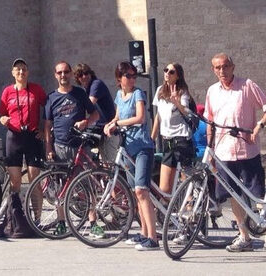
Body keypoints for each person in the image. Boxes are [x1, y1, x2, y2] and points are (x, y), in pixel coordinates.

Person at [204, 52, 266, 253]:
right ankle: (244, 236)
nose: (222, 71)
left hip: (247, 151)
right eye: (217, 68)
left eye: (225, 66)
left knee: (258, 196)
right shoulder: (212, 91)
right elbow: (210, 122)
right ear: (213, 70)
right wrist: (210, 150)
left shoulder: (247, 85)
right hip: (223, 153)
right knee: (234, 196)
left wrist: (258, 127)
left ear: (233, 66)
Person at [104, 61, 158, 251]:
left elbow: (140, 118)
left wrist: (118, 124)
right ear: (119, 79)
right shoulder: (119, 95)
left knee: (142, 190)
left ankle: (153, 237)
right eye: (128, 75)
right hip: (127, 147)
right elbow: (118, 117)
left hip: (142, 146)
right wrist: (109, 124)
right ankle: (143, 233)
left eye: (134, 75)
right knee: (135, 192)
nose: (132, 79)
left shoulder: (138, 94)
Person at [44, 60, 102, 238]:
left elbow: (95, 114)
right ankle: (62, 222)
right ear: (55, 75)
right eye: (60, 72)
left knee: (86, 184)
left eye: (66, 72)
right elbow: (47, 125)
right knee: (60, 186)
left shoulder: (79, 93)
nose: (63, 75)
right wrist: (48, 147)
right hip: (60, 145)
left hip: (79, 146)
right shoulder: (51, 97)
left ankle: (93, 222)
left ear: (70, 74)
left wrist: (86, 122)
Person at [0, 58, 47, 197]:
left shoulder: (36, 89)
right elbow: (2, 114)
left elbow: (49, 109)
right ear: (13, 73)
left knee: (35, 181)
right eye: (18, 69)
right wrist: (3, 119)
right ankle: (16, 216)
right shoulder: (7, 91)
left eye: (24, 69)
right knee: (15, 182)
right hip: (14, 137)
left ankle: (37, 218)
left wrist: (45, 129)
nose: (21, 72)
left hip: (32, 136)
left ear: (28, 72)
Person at [150, 63, 195, 194]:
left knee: (185, 181)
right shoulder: (160, 91)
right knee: (164, 187)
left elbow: (187, 112)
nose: (167, 73)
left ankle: (189, 207)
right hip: (167, 140)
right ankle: (168, 211)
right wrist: (152, 138)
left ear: (178, 76)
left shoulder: (182, 92)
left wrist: (177, 102)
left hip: (181, 139)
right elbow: (158, 115)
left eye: (171, 72)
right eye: (166, 70)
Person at [74, 62, 117, 161]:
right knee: (82, 144)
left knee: (107, 160)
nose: (84, 76)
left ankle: (108, 174)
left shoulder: (96, 84)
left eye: (86, 73)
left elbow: (90, 103)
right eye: (81, 75)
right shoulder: (85, 89)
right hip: (98, 126)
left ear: (91, 73)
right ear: (77, 78)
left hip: (107, 126)